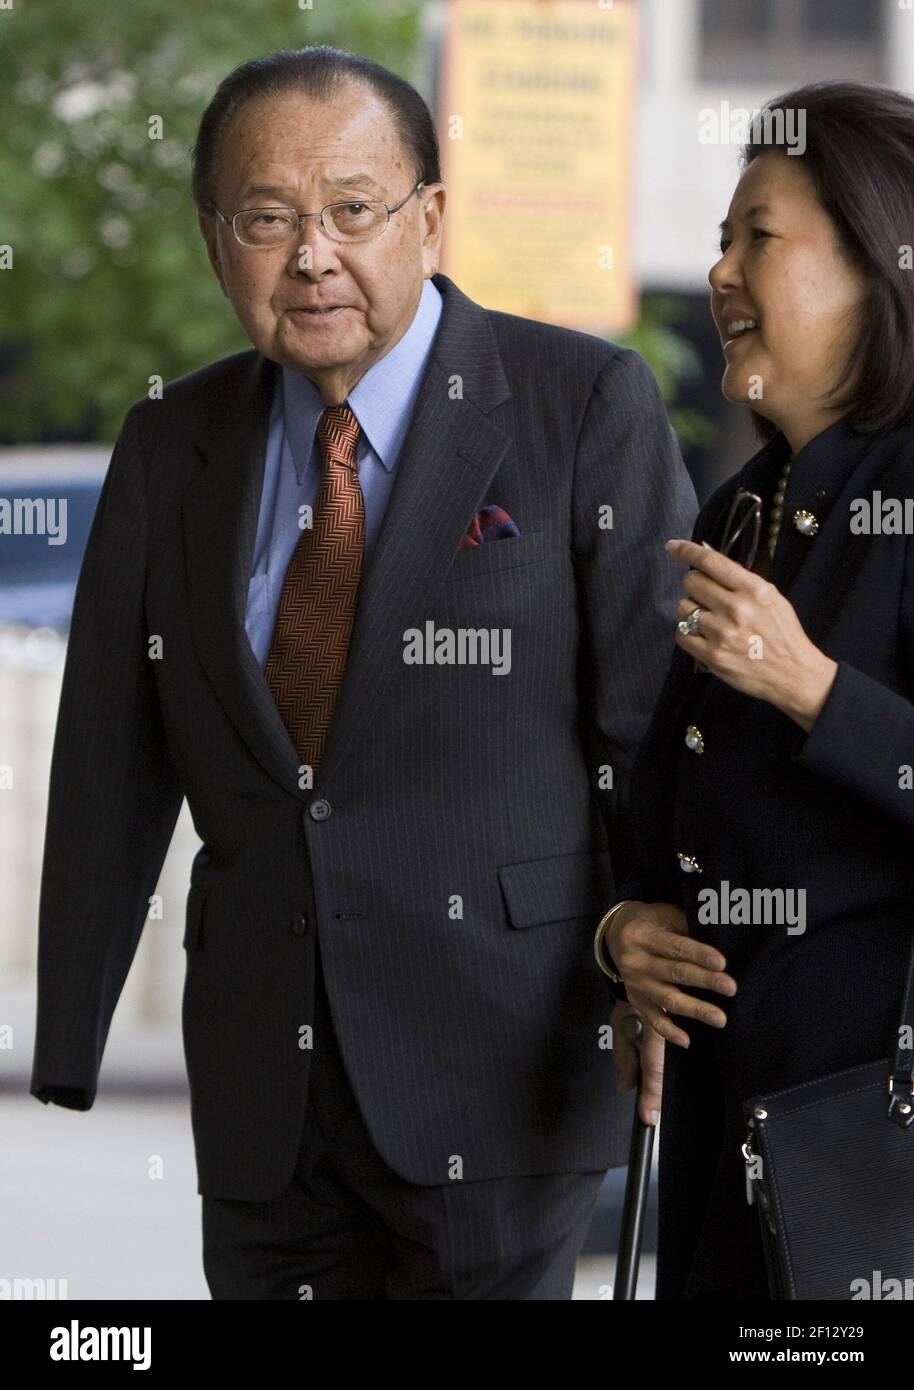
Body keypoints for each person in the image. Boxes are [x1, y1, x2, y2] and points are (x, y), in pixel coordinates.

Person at [29, 45, 696, 1299]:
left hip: (500, 1065)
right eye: (266, 218)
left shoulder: (578, 400)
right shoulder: (173, 442)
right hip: (260, 1091)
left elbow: (649, 726)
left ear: (429, 219)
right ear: (215, 239)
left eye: (351, 210)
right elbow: (109, 756)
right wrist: (68, 1032)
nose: (310, 255)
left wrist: (660, 956)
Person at [599, 80, 914, 1300]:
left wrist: (812, 687)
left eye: (757, 237)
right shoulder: (741, 505)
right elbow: (663, 804)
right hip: (725, 1130)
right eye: (721, 238)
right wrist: (625, 928)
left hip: (865, 1150)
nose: (720, 271)